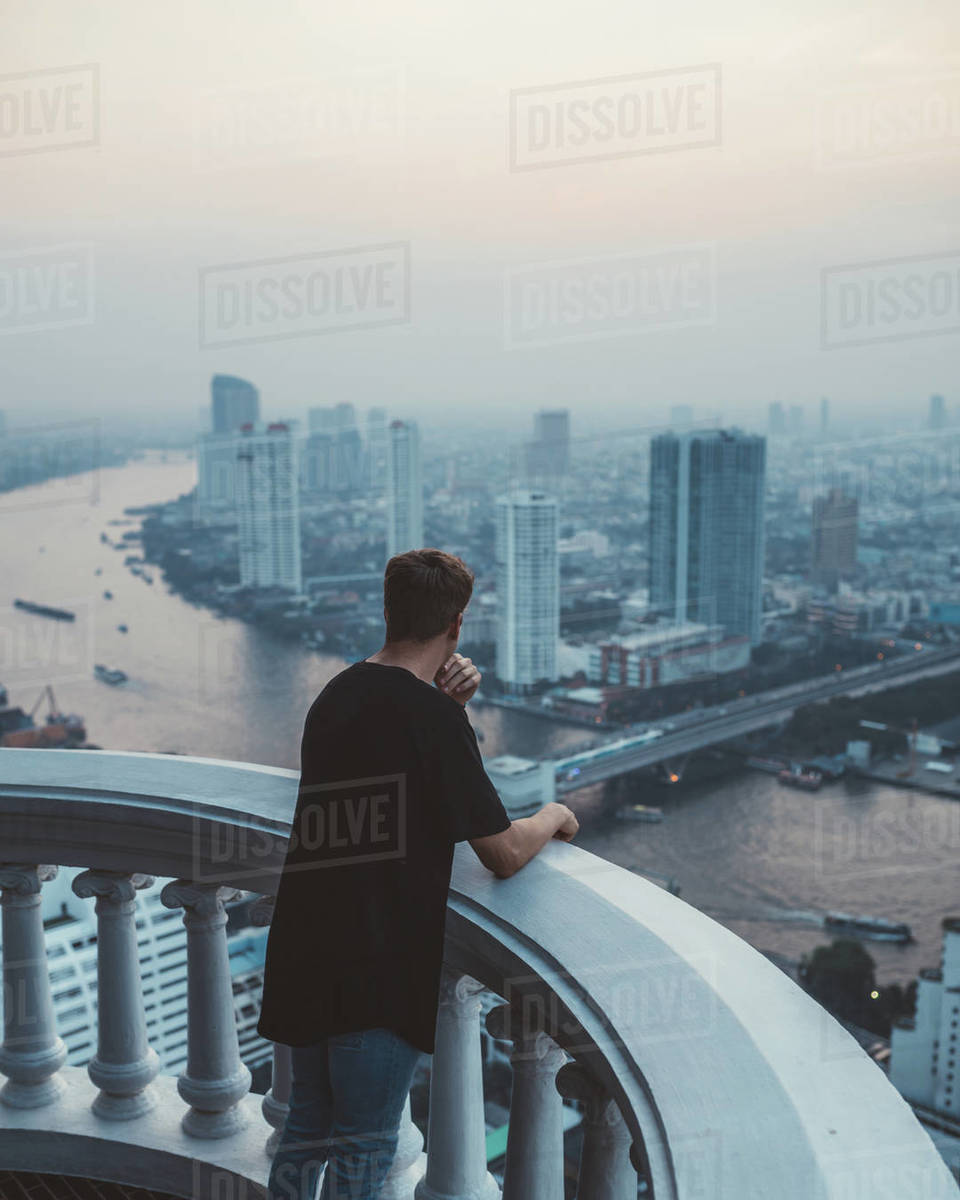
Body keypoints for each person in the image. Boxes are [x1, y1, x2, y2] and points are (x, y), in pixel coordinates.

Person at [258, 547, 579, 1199]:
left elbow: (390, 764)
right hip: (375, 968)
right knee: (364, 1149)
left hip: (303, 951)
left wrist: (447, 708)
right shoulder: (433, 720)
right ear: (457, 623)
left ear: (387, 610)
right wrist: (554, 814)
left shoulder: (336, 695)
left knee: (306, 1126)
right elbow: (502, 852)